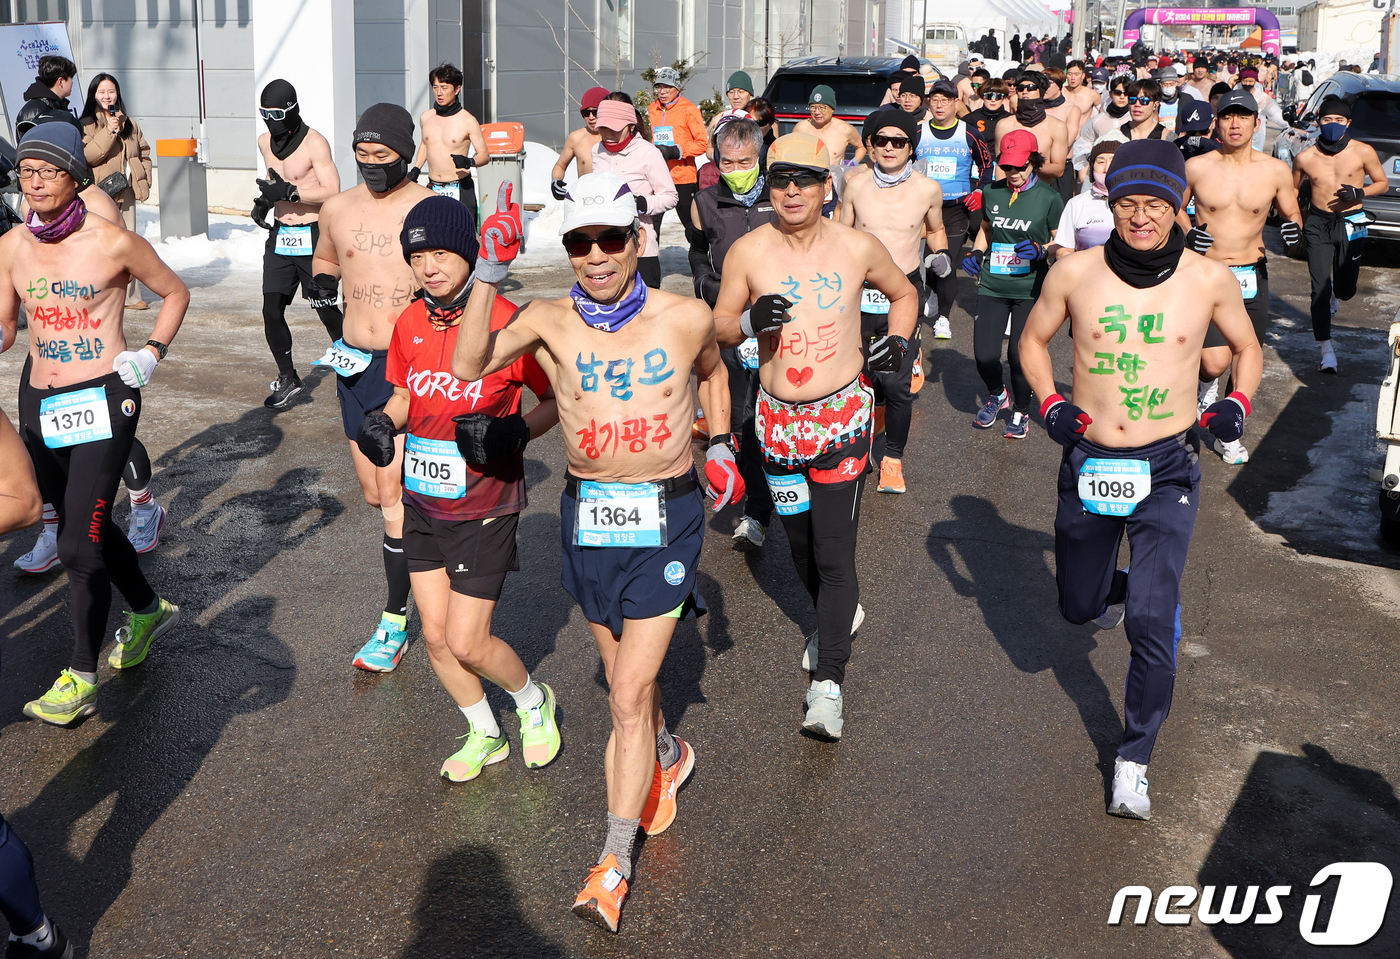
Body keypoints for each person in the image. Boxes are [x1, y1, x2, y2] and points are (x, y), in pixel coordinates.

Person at [450, 171, 738, 933]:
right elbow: (468, 364)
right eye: (581, 243)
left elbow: (714, 375)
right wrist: (487, 272)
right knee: (623, 681)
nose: (597, 255)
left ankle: (612, 862)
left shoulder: (686, 316)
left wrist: (721, 443)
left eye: (612, 239)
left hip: (667, 517)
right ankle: (669, 753)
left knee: (623, 695)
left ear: (638, 241)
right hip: (589, 515)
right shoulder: (547, 318)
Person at [1020, 139, 1261, 821]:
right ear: (1112, 204)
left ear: (1177, 206)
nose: (1141, 217)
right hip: (1091, 460)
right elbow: (1032, 341)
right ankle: (1130, 589)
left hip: (1167, 464)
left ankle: (1134, 757)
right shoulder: (1075, 274)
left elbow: (1246, 347)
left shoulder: (1209, 278)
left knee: (1152, 622)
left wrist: (1236, 404)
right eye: (1128, 203)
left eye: (1155, 204)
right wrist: (1051, 404)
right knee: (1077, 605)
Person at [349, 195, 565, 781]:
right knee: (439, 640)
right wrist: (382, 421)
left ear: (470, 253)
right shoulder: (410, 322)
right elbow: (402, 395)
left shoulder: (508, 321)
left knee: (469, 641)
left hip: (485, 504)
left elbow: (555, 402)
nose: (430, 267)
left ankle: (531, 701)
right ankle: (484, 732)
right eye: (417, 256)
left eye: (442, 252)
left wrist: (512, 431)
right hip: (422, 499)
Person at [714, 132, 918, 740]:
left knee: (833, 552)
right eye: (781, 180)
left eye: (804, 178)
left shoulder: (857, 247)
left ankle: (827, 684)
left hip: (842, 420)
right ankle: (839, 614)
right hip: (776, 426)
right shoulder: (749, 252)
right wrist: (748, 320)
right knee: (799, 549)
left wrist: (900, 345)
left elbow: (905, 294)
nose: (792, 190)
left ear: (827, 185)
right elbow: (721, 327)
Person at [8, 122, 189, 725]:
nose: (33, 183)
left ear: (75, 178)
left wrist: (150, 354)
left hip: (104, 398)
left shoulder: (112, 242)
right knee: (86, 525)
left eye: (47, 171)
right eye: (25, 171)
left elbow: (175, 293)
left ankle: (81, 676)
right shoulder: (10, 246)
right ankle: (145, 608)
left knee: (75, 545)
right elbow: (7, 327)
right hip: (39, 401)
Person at [311, 103, 435, 671]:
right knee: (375, 494)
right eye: (362, 156)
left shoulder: (428, 207)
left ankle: (394, 621)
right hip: (353, 364)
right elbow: (327, 256)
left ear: (405, 154)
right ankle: (427, 565)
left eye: (382, 157)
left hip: (406, 364)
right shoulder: (337, 207)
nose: (371, 166)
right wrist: (321, 280)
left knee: (393, 500)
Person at [1178, 88, 1303, 465]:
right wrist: (1188, 230)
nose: (1235, 124)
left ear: (1255, 123)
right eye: (1228, 116)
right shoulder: (1197, 166)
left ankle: (1231, 431)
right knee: (1215, 361)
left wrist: (1293, 229)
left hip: (1252, 273)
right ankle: (1205, 386)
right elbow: (1173, 207)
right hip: (1209, 273)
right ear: (1217, 123)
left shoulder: (1275, 170)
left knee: (1247, 354)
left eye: (1243, 117)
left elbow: (1292, 213)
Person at [840, 109, 949, 493]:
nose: (889, 147)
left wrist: (940, 255)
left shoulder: (927, 189)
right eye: (881, 140)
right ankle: (856, 444)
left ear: (910, 146)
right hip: (858, 294)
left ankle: (893, 459)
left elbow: (936, 230)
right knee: (857, 378)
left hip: (901, 295)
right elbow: (840, 235)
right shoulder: (854, 185)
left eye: (898, 141)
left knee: (897, 384)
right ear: (870, 144)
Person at [690, 118, 777, 548]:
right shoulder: (703, 201)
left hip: (775, 321)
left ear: (759, 157)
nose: (737, 167)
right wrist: (707, 286)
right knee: (739, 415)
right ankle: (754, 508)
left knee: (770, 415)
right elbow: (697, 250)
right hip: (726, 323)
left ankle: (777, 499)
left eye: (745, 160)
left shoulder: (781, 194)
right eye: (728, 161)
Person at [961, 130, 1064, 439]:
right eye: (1008, 167)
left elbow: (1061, 242)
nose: (1014, 174)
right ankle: (997, 394)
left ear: (1033, 162)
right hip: (992, 284)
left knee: (1019, 357)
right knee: (985, 356)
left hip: (1031, 289)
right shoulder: (992, 192)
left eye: (1020, 167)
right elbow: (986, 229)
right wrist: (977, 252)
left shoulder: (1049, 197)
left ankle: (1021, 411)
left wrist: (1042, 250)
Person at [253, 79, 345, 410]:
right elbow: (273, 183)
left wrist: (292, 193)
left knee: (325, 308)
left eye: (276, 113)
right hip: (281, 235)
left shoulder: (315, 143)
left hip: (313, 234)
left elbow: (332, 189)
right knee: (270, 308)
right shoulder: (265, 142)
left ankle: (353, 370)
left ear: (292, 110)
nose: (269, 119)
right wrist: (264, 201)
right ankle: (288, 377)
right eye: (264, 112)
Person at [1292, 96, 1388, 373]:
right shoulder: (1305, 157)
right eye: (1327, 119)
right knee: (1318, 288)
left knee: (1346, 289)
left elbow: (1381, 183)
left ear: (1348, 123)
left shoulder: (1363, 151)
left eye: (1338, 120)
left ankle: (1338, 292)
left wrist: (1360, 192)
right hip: (1318, 223)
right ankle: (1326, 351)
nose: (1332, 125)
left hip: (1353, 220)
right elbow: (1290, 191)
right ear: (1318, 121)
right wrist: (1293, 221)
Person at [917, 79, 993, 341]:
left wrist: (979, 190)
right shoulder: (918, 132)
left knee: (946, 262)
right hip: (924, 210)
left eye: (945, 100)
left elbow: (986, 165)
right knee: (928, 261)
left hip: (955, 209)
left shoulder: (970, 133)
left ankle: (943, 318)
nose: (939, 105)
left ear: (955, 103)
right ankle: (932, 294)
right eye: (935, 100)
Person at [78, 73, 152, 309]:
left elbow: (144, 152)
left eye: (111, 91)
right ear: (93, 95)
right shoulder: (86, 125)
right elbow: (89, 155)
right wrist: (109, 131)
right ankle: (100, 295)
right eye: (101, 92)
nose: (107, 96)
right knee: (100, 243)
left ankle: (130, 296)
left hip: (127, 190)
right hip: (100, 193)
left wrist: (144, 179)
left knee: (129, 242)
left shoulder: (130, 123)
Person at [589, 97, 676, 289]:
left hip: (641, 248)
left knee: (646, 309)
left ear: (630, 126)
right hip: (606, 245)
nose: (608, 134)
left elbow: (670, 196)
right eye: (604, 127)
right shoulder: (597, 150)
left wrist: (642, 204)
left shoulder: (648, 152)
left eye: (615, 128)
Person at [411, 63, 488, 218]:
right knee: (433, 234)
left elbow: (484, 155)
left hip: (460, 186)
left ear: (457, 89)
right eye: (435, 87)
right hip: (433, 187)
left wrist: (469, 162)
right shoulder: (426, 117)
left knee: (464, 237)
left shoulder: (468, 120)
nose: (439, 93)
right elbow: (426, 144)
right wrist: (416, 169)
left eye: (444, 87)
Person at [646, 66, 708, 250]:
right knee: (651, 226)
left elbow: (702, 143)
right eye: (659, 87)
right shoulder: (653, 109)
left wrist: (676, 151)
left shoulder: (689, 110)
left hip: (683, 177)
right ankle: (649, 268)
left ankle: (703, 262)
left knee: (692, 225)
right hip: (657, 176)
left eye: (667, 87)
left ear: (677, 88)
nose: (662, 92)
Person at [995, 72, 1070, 188]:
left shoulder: (1057, 127)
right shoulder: (1004, 125)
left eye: (1031, 87)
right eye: (1020, 88)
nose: (1025, 91)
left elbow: (1058, 169)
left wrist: (1029, 164)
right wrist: (1000, 193)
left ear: (1041, 91)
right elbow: (1000, 165)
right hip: (1009, 190)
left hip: (1040, 192)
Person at [1049, 139, 1119, 258]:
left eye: (1114, 161)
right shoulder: (1076, 203)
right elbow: (1064, 251)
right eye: (1101, 162)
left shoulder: (1138, 200)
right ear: (1092, 168)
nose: (1107, 168)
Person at [550, 86, 609, 199]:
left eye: (595, 112)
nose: (591, 117)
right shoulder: (576, 138)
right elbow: (560, 165)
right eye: (586, 113)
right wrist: (555, 181)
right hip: (585, 199)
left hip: (612, 200)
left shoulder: (618, 136)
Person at [793, 85, 865, 164]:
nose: (817, 112)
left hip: (833, 174)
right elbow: (789, 150)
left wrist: (853, 162)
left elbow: (861, 146)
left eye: (822, 108)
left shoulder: (845, 129)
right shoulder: (801, 128)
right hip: (807, 174)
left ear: (832, 109)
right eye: (813, 107)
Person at [14, 55, 75, 134]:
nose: (72, 83)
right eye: (71, 79)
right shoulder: (35, 110)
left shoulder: (55, 104)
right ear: (61, 81)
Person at [1235, 67, 1286, 152]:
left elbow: (1277, 115)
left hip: (1255, 140)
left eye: (1250, 81)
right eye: (1244, 81)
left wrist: (1291, 123)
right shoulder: (1235, 95)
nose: (1247, 84)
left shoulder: (1262, 98)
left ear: (1255, 81)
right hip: (1237, 137)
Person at [964, 77, 1011, 152]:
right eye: (989, 96)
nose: (993, 100)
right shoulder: (970, 119)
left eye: (997, 96)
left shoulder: (1010, 119)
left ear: (1003, 97)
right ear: (983, 97)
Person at [1154, 67, 1185, 136]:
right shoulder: (1155, 100)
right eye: (1165, 84)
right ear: (1161, 84)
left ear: (1176, 83)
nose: (1168, 87)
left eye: (1171, 84)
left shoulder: (1185, 99)